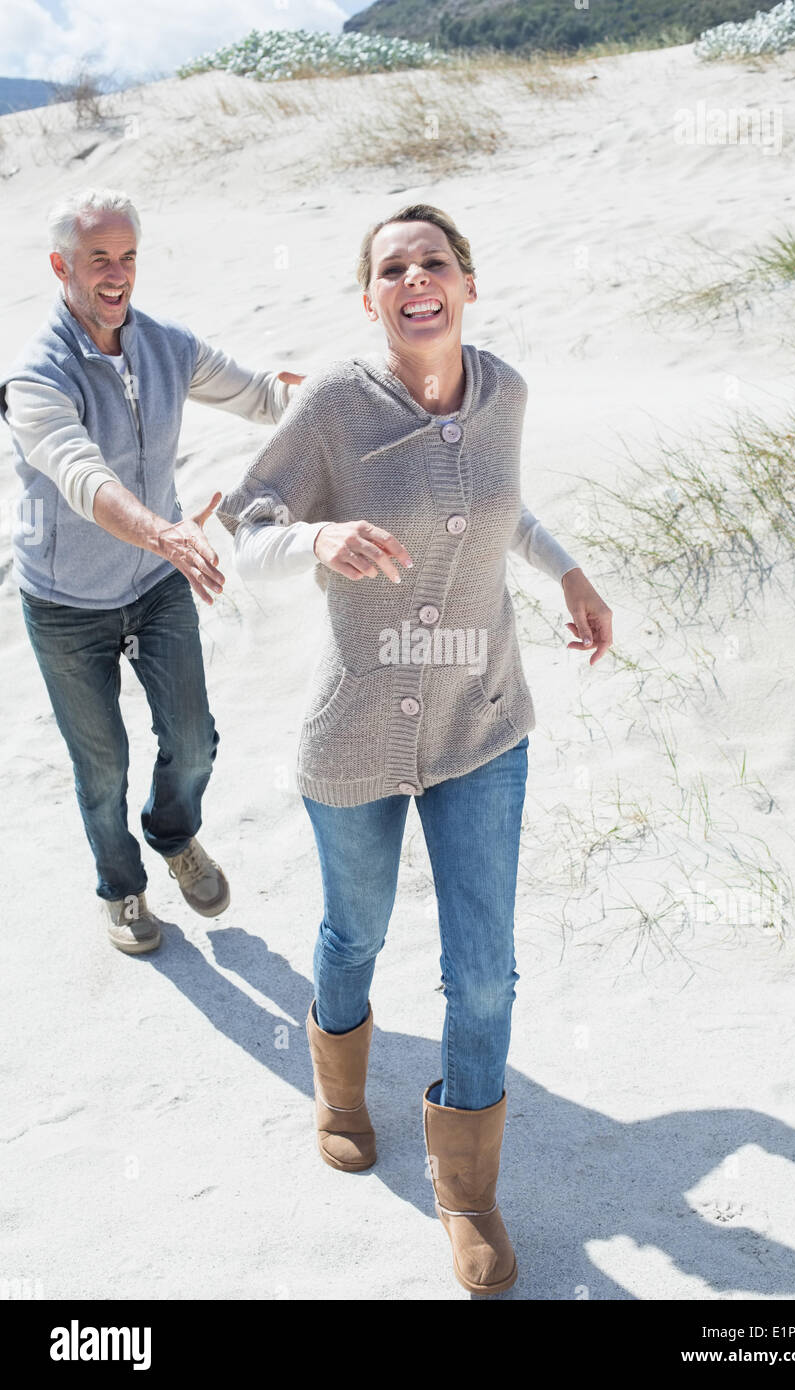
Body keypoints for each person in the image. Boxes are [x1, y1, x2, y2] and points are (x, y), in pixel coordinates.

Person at [216, 204, 613, 1296]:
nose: (414, 277)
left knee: (481, 974)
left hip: (481, 719)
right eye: (392, 268)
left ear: (465, 283)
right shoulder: (335, 408)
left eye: (431, 260)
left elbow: (496, 507)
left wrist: (567, 571)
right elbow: (243, 532)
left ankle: (468, 1191)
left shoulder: (506, 394)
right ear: (371, 298)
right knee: (355, 930)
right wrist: (315, 536)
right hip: (356, 729)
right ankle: (341, 1088)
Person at [0, 187, 304, 956]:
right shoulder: (34, 377)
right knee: (102, 766)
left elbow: (264, 396)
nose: (117, 273)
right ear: (60, 266)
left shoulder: (167, 344)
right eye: (98, 257)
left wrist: (349, 389)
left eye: (128, 256)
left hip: (157, 583)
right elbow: (81, 475)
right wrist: (164, 531)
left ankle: (174, 836)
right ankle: (123, 888)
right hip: (67, 601)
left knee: (194, 740)